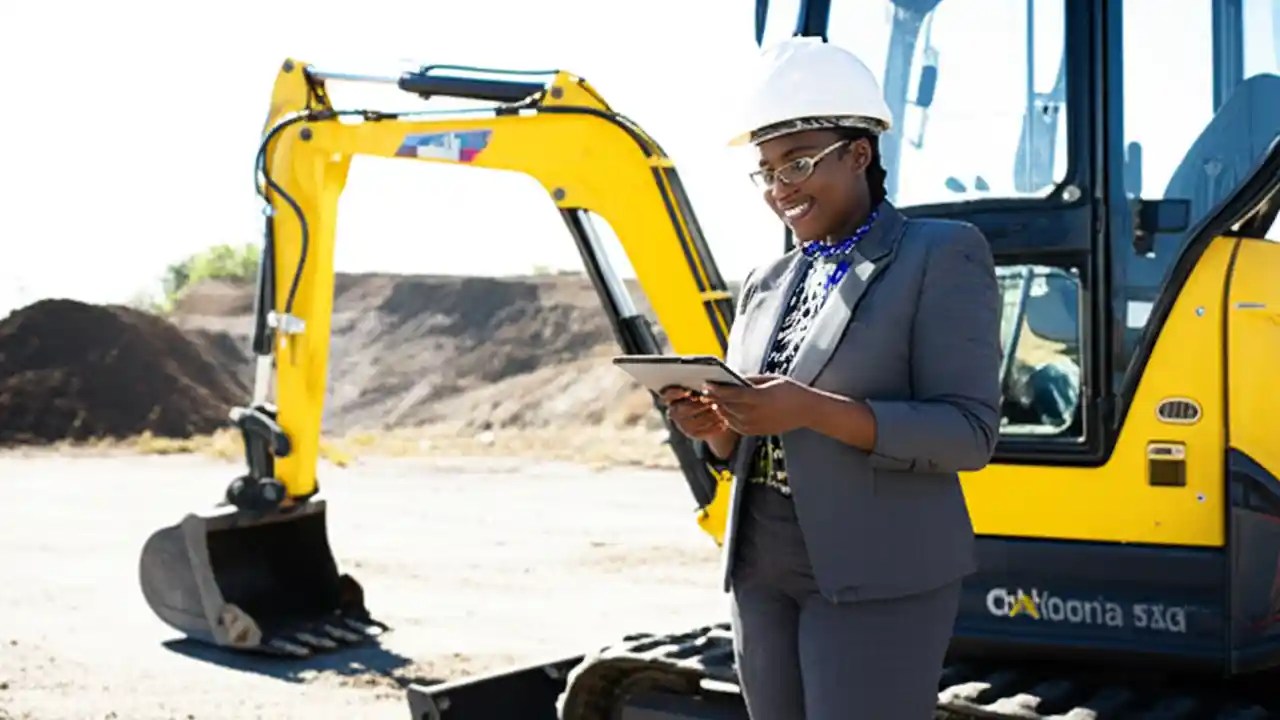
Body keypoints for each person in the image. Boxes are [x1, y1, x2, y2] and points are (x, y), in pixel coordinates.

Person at [661, 37, 1003, 720]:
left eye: (798, 162)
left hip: (875, 570)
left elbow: (968, 434)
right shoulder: (765, 282)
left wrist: (811, 409)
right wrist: (718, 430)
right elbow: (753, 441)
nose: (779, 186)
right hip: (759, 565)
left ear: (859, 154)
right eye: (764, 171)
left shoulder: (941, 253)